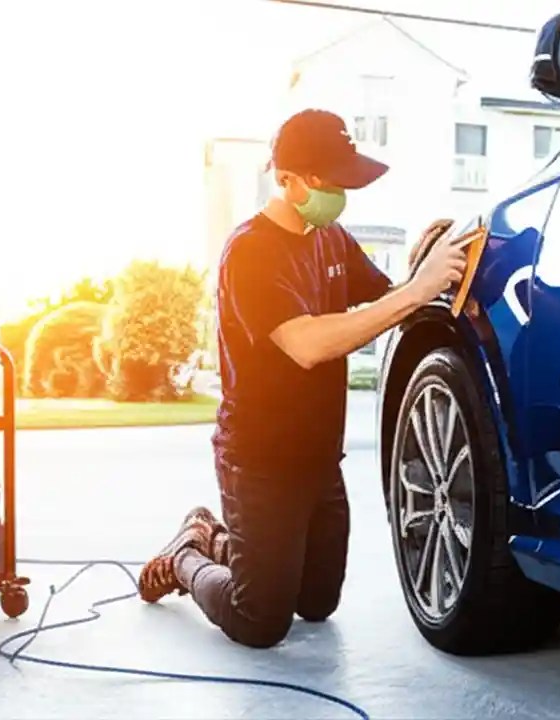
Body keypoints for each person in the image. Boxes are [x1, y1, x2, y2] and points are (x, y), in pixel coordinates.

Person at [136, 108, 468, 649]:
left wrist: (425, 275)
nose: (340, 191)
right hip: (259, 463)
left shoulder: (332, 239)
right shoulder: (249, 252)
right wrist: (414, 292)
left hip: (318, 461)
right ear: (288, 178)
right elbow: (307, 345)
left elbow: (387, 301)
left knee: (316, 604)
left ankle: (229, 546)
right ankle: (187, 554)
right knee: (260, 620)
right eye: (329, 180)